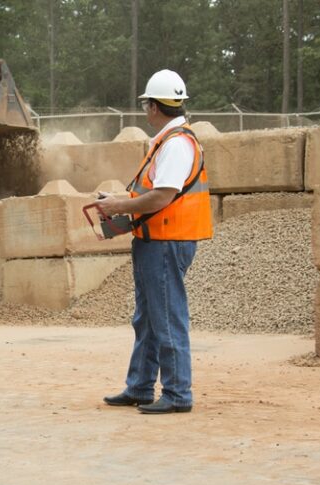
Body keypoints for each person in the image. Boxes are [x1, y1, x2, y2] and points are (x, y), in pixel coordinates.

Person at [96, 69, 212, 414]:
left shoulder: (176, 144)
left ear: (153, 107)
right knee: (147, 318)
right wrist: (121, 204)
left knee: (166, 318)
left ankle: (177, 394)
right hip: (157, 239)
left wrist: (118, 206)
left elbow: (163, 196)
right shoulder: (169, 140)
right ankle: (140, 386)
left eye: (146, 104)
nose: (145, 110)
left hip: (166, 241)